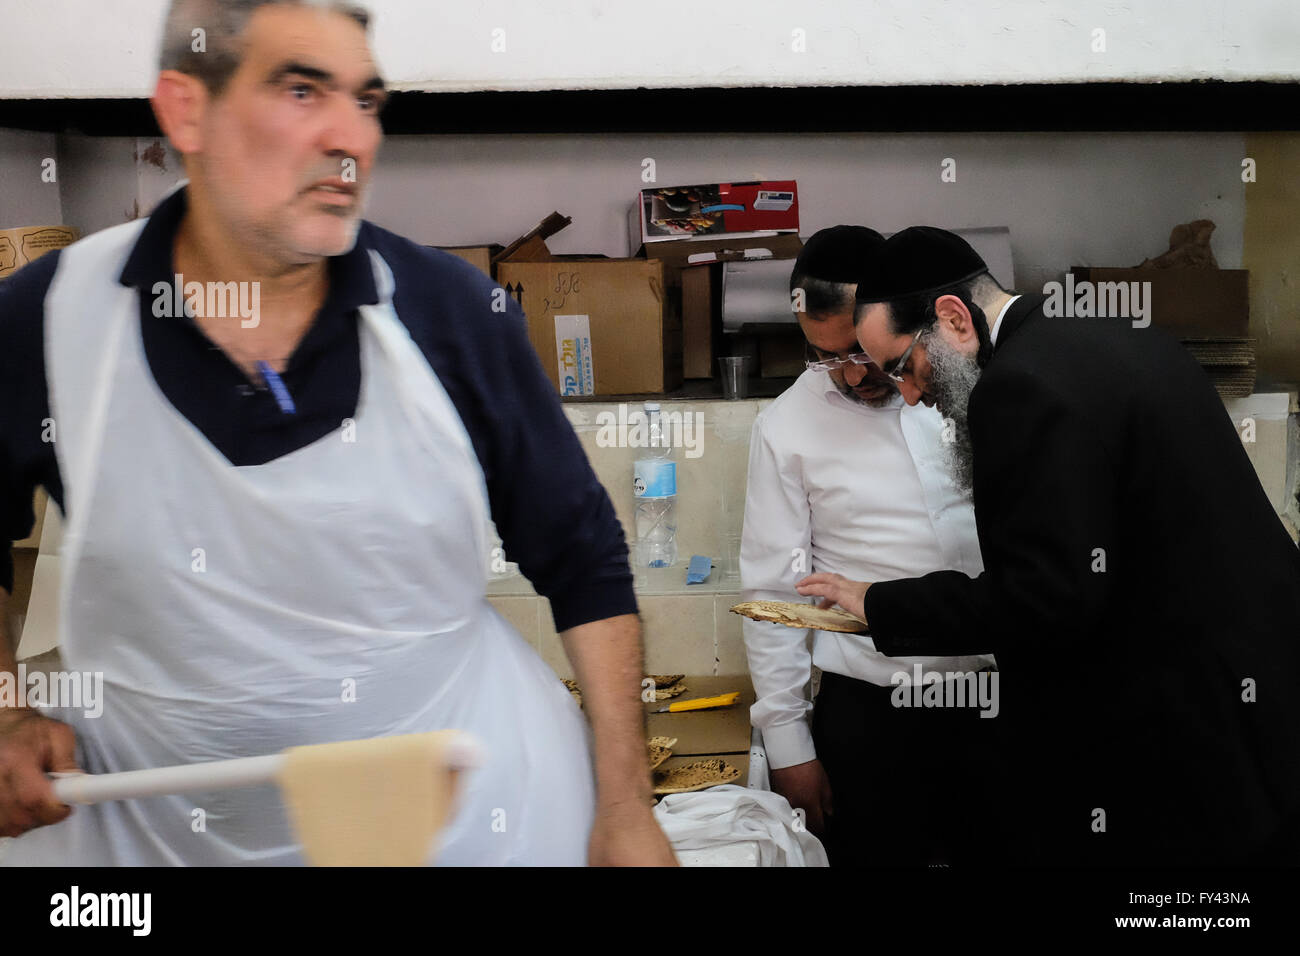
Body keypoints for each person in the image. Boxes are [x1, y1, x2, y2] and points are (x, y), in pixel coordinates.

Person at [0, 0, 676, 866]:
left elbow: (582, 559)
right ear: (185, 110)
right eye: (301, 90)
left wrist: (625, 810)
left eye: (366, 101)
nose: (350, 138)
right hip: (147, 829)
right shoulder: (50, 322)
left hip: (466, 818)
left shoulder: (450, 317)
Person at [798, 225, 1300, 865]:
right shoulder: (1110, 335)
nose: (910, 393)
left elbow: (1047, 600)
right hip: (1258, 694)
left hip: (1193, 731)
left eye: (902, 366)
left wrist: (881, 606)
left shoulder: (1020, 386)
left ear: (953, 318)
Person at [742, 226, 998, 866]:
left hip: (1004, 697)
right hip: (874, 716)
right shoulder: (786, 426)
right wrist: (789, 746)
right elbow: (774, 594)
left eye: (859, 348)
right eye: (825, 357)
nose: (854, 375)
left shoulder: (975, 388)